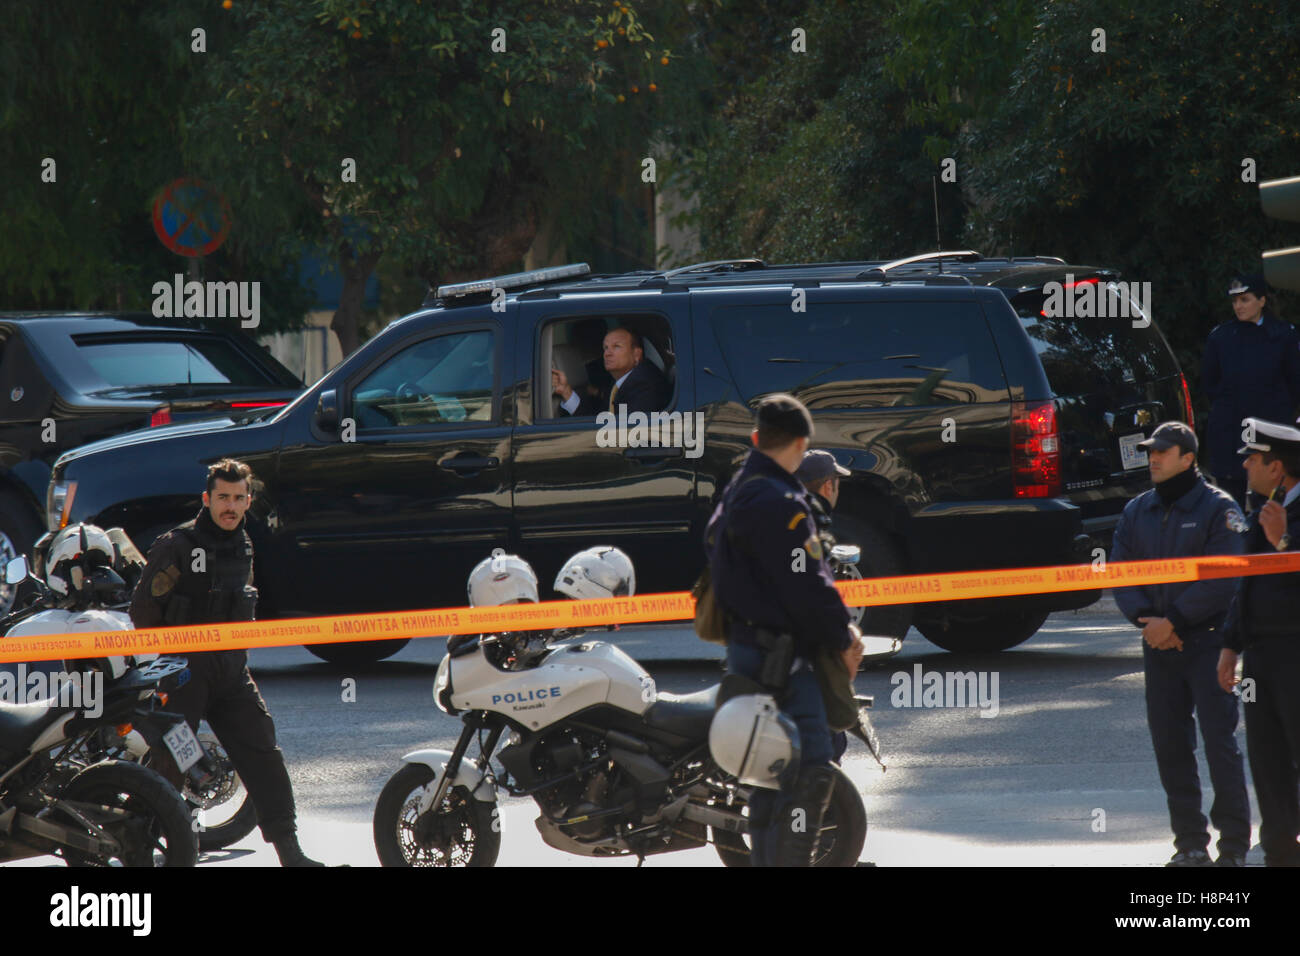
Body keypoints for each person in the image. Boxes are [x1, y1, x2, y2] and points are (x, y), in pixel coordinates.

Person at [129, 458, 328, 867]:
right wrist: (177, 652)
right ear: (207, 498)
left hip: (232, 673)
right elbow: (142, 611)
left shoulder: (244, 542)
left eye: (239, 498)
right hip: (185, 674)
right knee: (173, 763)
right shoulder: (177, 545)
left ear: (248, 500)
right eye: (223, 497)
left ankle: (291, 853)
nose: (231, 506)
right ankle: (140, 849)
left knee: (264, 756)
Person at [705, 394, 864, 866]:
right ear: (801, 442)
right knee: (810, 770)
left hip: (746, 653)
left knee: (766, 776)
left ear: (756, 438)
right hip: (787, 661)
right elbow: (807, 586)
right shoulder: (782, 502)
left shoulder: (737, 491)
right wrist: (844, 637)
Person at [1109, 422, 1250, 866]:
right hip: (1159, 644)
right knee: (1170, 745)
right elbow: (1121, 572)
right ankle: (1189, 844)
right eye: (1151, 451)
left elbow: (1225, 579)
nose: (1153, 458)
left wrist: (1173, 620)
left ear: (1188, 458)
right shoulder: (1137, 510)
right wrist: (1146, 622)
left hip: (1206, 642)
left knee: (1218, 744)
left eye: (1164, 452)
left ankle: (1233, 848)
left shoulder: (1218, 508)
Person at [1217, 418, 1300, 867]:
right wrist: (1231, 645)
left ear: (1277, 466)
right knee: (1267, 763)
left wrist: (1283, 539)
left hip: (1296, 652)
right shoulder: (1265, 505)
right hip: (1263, 655)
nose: (1246, 464)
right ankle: (1281, 855)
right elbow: (1246, 585)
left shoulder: (1282, 514)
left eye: (1254, 458)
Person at [1201, 273, 1300, 506]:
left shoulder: (1283, 335)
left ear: (1262, 301)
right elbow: (1210, 383)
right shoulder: (1221, 337)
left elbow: (1295, 381)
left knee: (1270, 499)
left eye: (1245, 300)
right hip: (1231, 428)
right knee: (1229, 499)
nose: (1238, 306)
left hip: (1271, 426)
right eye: (1235, 301)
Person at [795, 449, 853, 763]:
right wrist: (844, 640)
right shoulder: (808, 526)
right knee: (827, 742)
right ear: (828, 487)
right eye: (837, 484)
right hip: (800, 657)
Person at [552, 327, 670, 416]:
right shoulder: (620, 381)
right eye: (605, 348)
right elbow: (597, 420)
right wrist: (566, 392)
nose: (607, 353)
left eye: (617, 346)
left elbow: (620, 434)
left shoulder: (644, 385)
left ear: (636, 354)